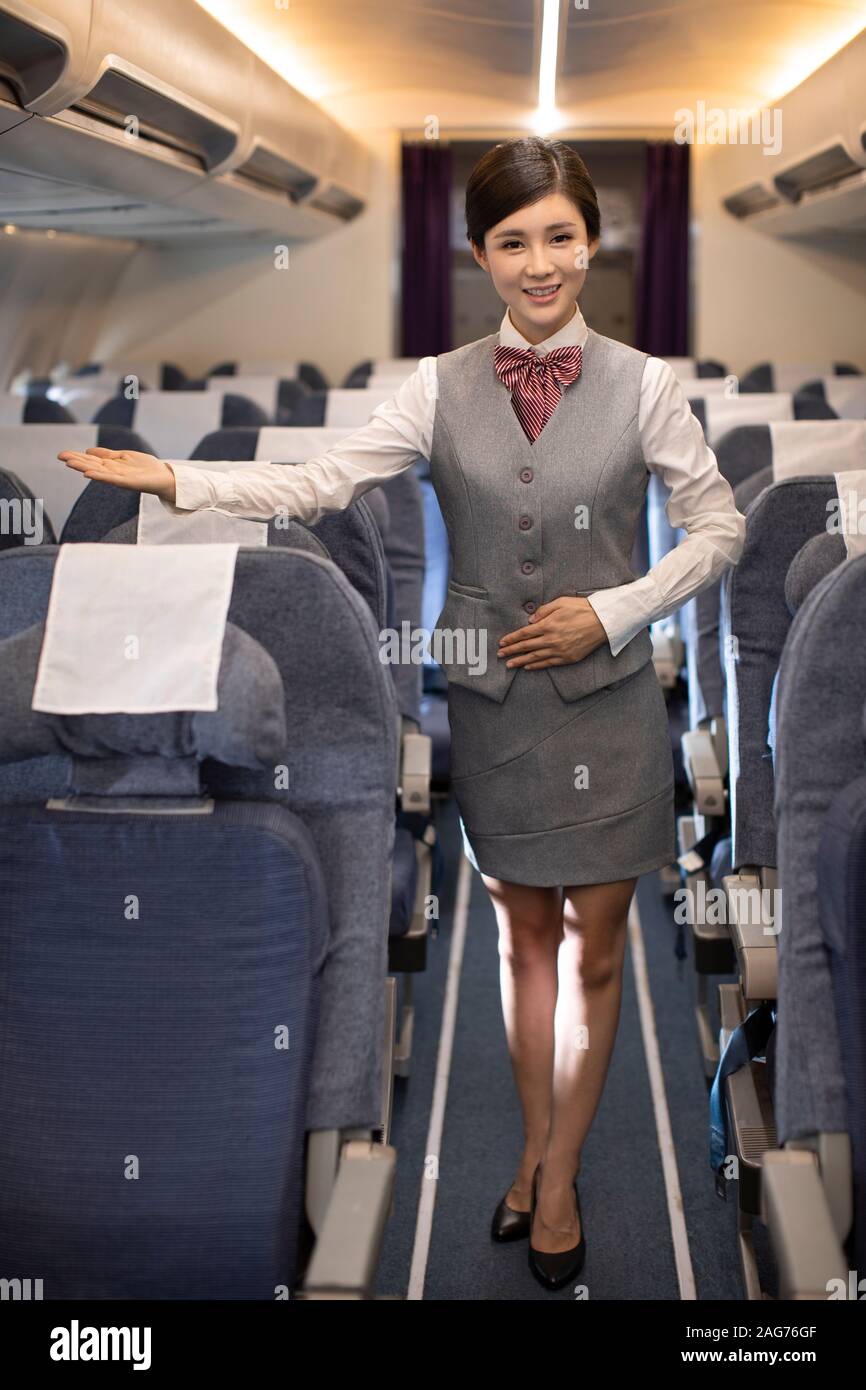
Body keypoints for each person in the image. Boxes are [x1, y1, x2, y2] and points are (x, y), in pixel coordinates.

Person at [59, 135, 746, 1292]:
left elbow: (718, 526)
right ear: (479, 253)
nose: (540, 265)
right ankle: (531, 1146)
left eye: (560, 238)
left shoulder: (646, 386)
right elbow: (315, 484)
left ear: (591, 240)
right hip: (493, 707)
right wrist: (176, 480)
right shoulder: (435, 385)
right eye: (512, 242)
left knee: (592, 961)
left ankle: (560, 1171)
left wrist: (617, 608)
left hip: (610, 709)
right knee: (524, 949)